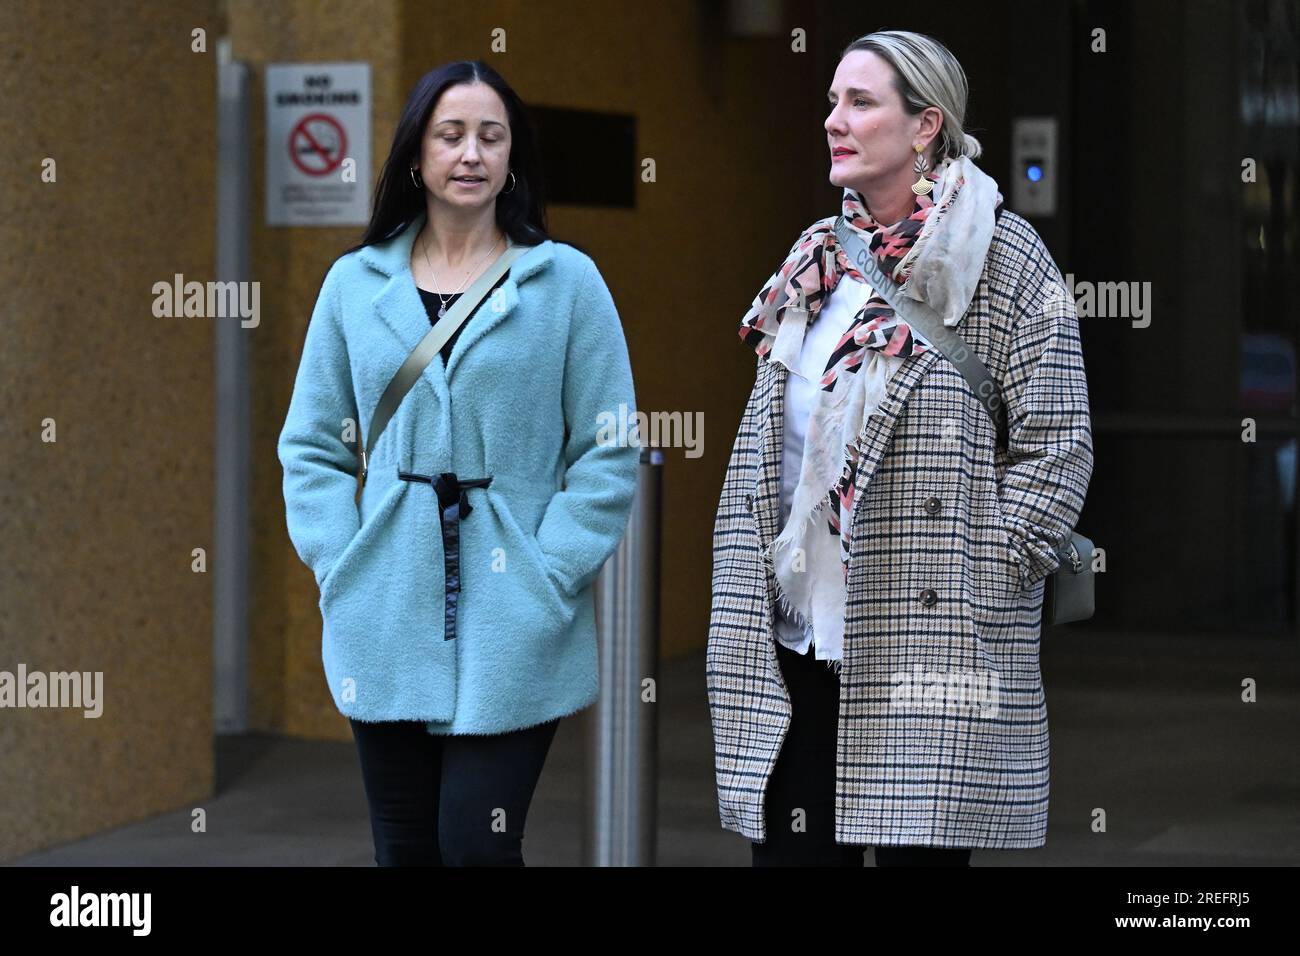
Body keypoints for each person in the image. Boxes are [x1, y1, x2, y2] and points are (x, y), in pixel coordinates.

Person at [707, 30, 1094, 867]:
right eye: (831, 102)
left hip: (927, 639)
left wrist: (983, 572)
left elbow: (1058, 444)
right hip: (798, 632)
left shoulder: (1006, 258)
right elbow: (777, 430)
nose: (833, 121)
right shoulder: (817, 257)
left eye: (860, 102)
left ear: (925, 127)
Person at [277, 60, 639, 866]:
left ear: (513, 158)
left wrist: (552, 569)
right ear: (417, 155)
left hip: (516, 611)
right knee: (404, 848)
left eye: (491, 135)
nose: (470, 152)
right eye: (451, 135)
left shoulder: (566, 282)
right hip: (384, 605)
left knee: (475, 844)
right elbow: (312, 444)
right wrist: (342, 562)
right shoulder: (352, 284)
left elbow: (608, 445)